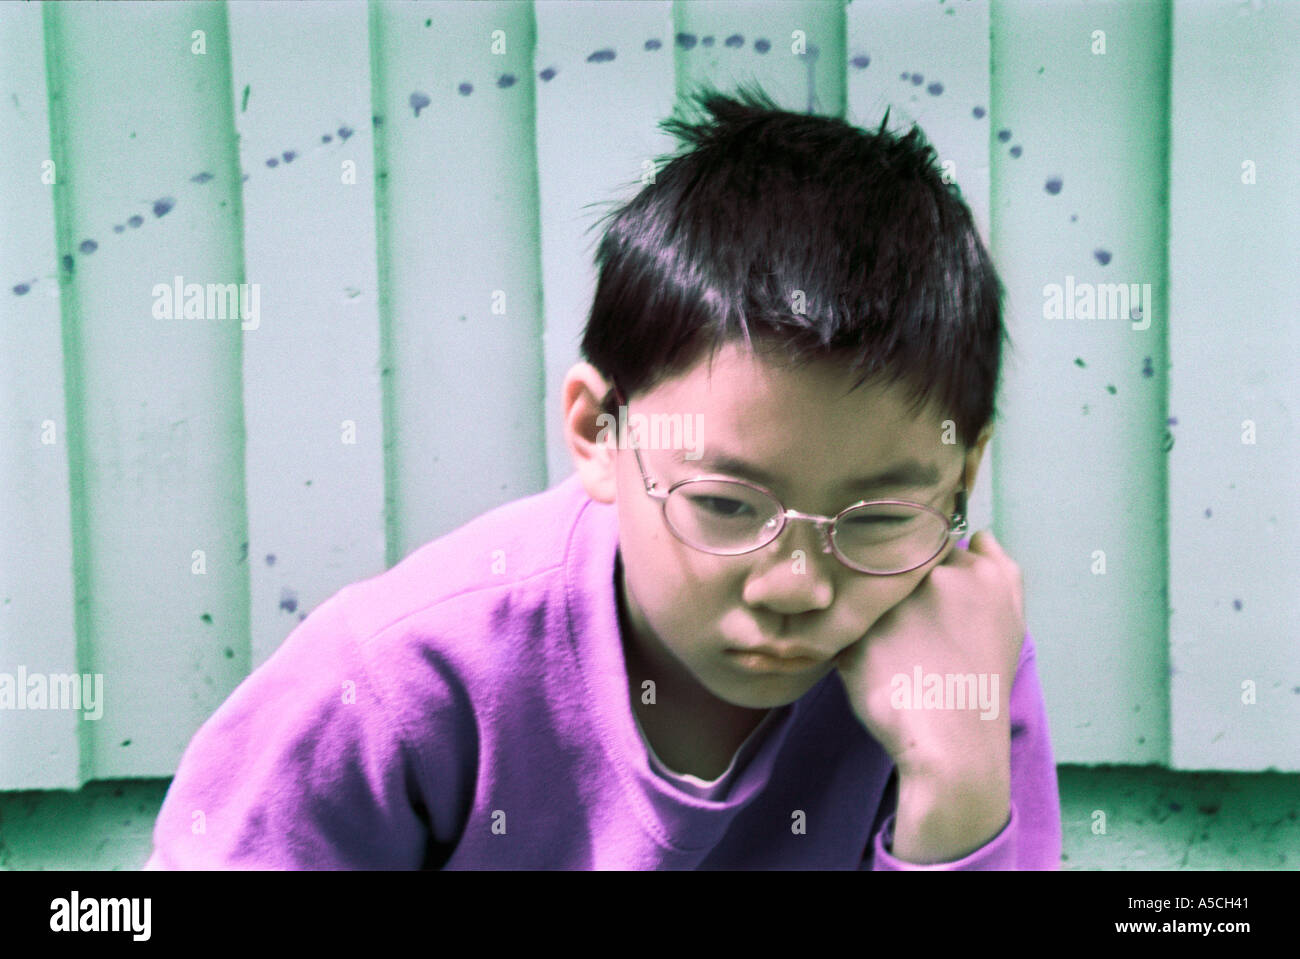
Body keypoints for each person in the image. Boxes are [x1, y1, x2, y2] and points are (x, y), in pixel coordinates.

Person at [144, 84, 1061, 870]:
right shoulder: (401, 672)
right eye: (726, 503)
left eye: (876, 518)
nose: (798, 585)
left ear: (963, 475)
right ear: (596, 431)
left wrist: (957, 785)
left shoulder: (957, 655)